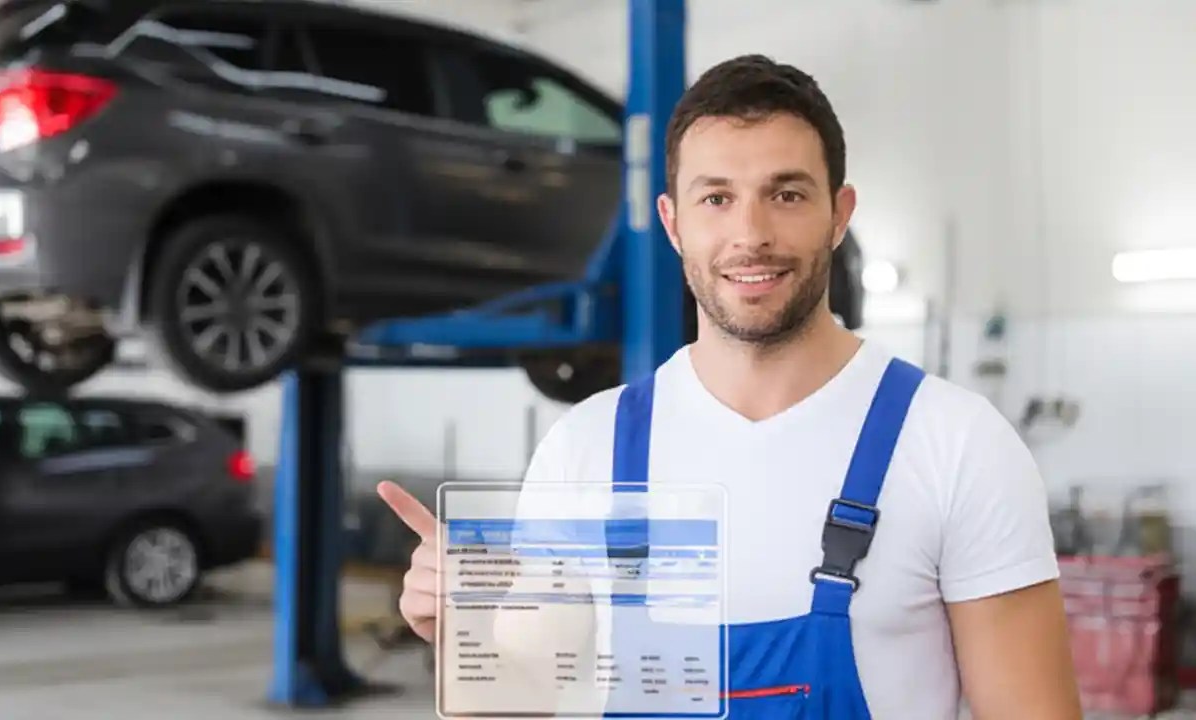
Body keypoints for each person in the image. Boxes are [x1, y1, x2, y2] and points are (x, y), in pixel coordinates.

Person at [379, 54, 1083, 719]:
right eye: (716, 197)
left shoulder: (954, 442)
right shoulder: (584, 450)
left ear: (839, 214)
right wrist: (460, 634)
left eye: (786, 193)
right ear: (672, 222)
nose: (751, 233)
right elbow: (515, 705)